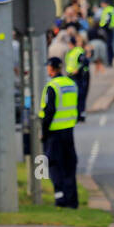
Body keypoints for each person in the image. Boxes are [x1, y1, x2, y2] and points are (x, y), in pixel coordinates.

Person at [40, 56, 80, 209]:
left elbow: (49, 111)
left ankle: (60, 198)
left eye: (48, 67)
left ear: (52, 68)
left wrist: (43, 131)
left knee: (54, 166)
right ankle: (72, 200)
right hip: (68, 131)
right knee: (70, 165)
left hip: (54, 133)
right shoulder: (71, 84)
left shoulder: (53, 86)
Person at [64, 33, 91, 122]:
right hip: (71, 77)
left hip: (79, 77)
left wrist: (78, 70)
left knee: (79, 97)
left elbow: (85, 62)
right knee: (74, 97)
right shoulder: (70, 53)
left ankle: (80, 115)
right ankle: (76, 115)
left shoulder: (78, 51)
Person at [96, 0, 114, 64]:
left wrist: (102, 28)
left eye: (102, 3)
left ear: (105, 4)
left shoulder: (107, 10)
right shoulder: (111, 9)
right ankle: (109, 60)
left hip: (108, 29)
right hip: (111, 29)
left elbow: (107, 20)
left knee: (108, 46)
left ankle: (109, 61)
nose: (101, 5)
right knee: (109, 46)